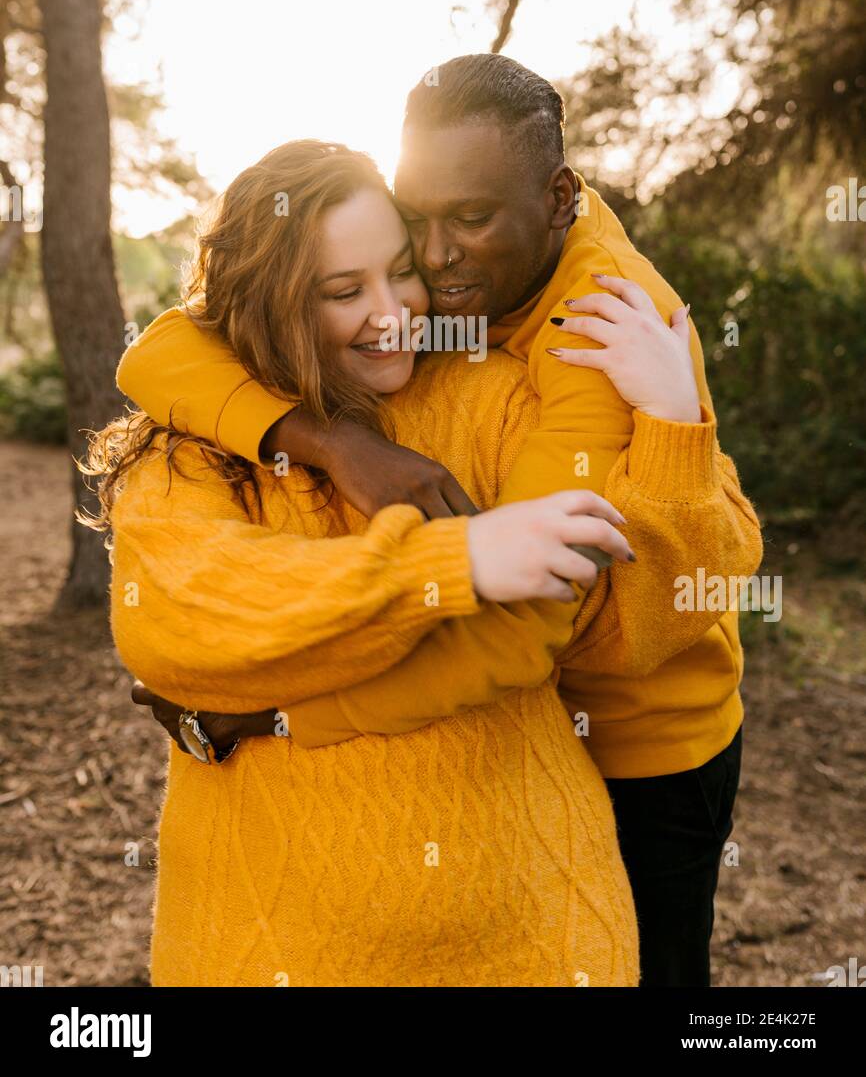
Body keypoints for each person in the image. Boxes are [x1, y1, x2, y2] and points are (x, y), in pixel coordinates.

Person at [90, 138, 761, 987]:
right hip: (270, 942)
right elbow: (185, 622)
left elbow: (625, 624)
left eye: (401, 271)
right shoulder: (192, 456)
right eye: (344, 290)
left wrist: (669, 425)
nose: (394, 310)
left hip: (539, 935)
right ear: (267, 304)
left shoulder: (491, 391)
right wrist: (449, 563)